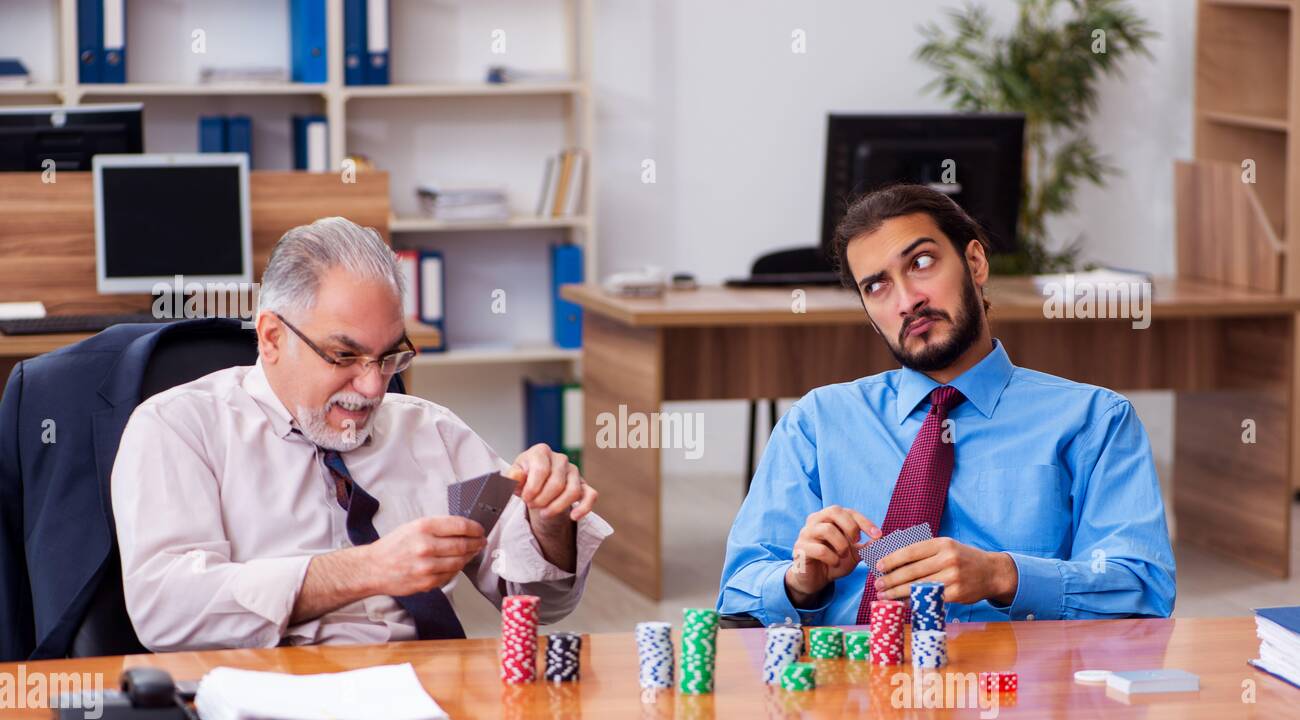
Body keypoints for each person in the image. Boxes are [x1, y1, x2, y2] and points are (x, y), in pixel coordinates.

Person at [112, 216, 611, 650]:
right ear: (271, 337)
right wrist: (363, 570)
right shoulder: (179, 428)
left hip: (430, 698)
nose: (373, 386)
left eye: (390, 355)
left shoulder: (429, 430)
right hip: (273, 702)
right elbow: (164, 607)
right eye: (344, 356)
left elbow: (537, 604)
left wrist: (547, 526)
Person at [718, 184, 1175, 626]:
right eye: (877, 287)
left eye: (921, 262)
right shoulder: (817, 423)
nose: (907, 301)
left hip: (1015, 692)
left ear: (974, 262)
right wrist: (800, 582)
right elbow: (738, 591)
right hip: (852, 690)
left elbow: (1142, 588)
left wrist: (1004, 576)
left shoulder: (1095, 421)